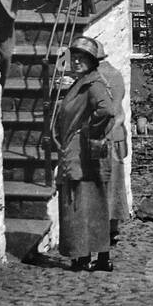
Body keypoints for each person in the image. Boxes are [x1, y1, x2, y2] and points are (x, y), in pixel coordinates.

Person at [53, 35, 115, 271]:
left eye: (83, 58)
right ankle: (98, 256)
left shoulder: (93, 84)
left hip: (80, 153)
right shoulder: (82, 82)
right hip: (81, 153)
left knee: (79, 204)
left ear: (92, 62)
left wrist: (90, 130)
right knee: (91, 204)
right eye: (75, 57)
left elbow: (106, 110)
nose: (77, 62)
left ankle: (83, 255)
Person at [94, 41, 129, 245]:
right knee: (115, 182)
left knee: (101, 182)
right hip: (117, 135)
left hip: (104, 136)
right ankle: (113, 227)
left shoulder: (97, 78)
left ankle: (103, 227)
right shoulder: (115, 73)